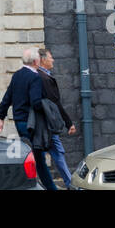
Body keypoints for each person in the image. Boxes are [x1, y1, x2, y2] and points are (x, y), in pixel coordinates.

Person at [0, 49, 55, 191]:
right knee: (38, 158)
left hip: (20, 122)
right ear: (35, 61)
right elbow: (36, 102)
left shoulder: (17, 75)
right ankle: (49, 187)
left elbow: (7, 98)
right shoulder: (35, 77)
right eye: (39, 59)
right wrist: (48, 108)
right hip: (32, 124)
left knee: (30, 155)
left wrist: (1, 117)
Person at [37, 48, 77, 189]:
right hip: (47, 124)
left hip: (41, 124)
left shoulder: (40, 76)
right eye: (50, 57)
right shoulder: (44, 78)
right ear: (43, 60)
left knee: (43, 154)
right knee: (57, 152)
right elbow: (54, 102)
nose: (53, 60)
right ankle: (69, 183)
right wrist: (68, 123)